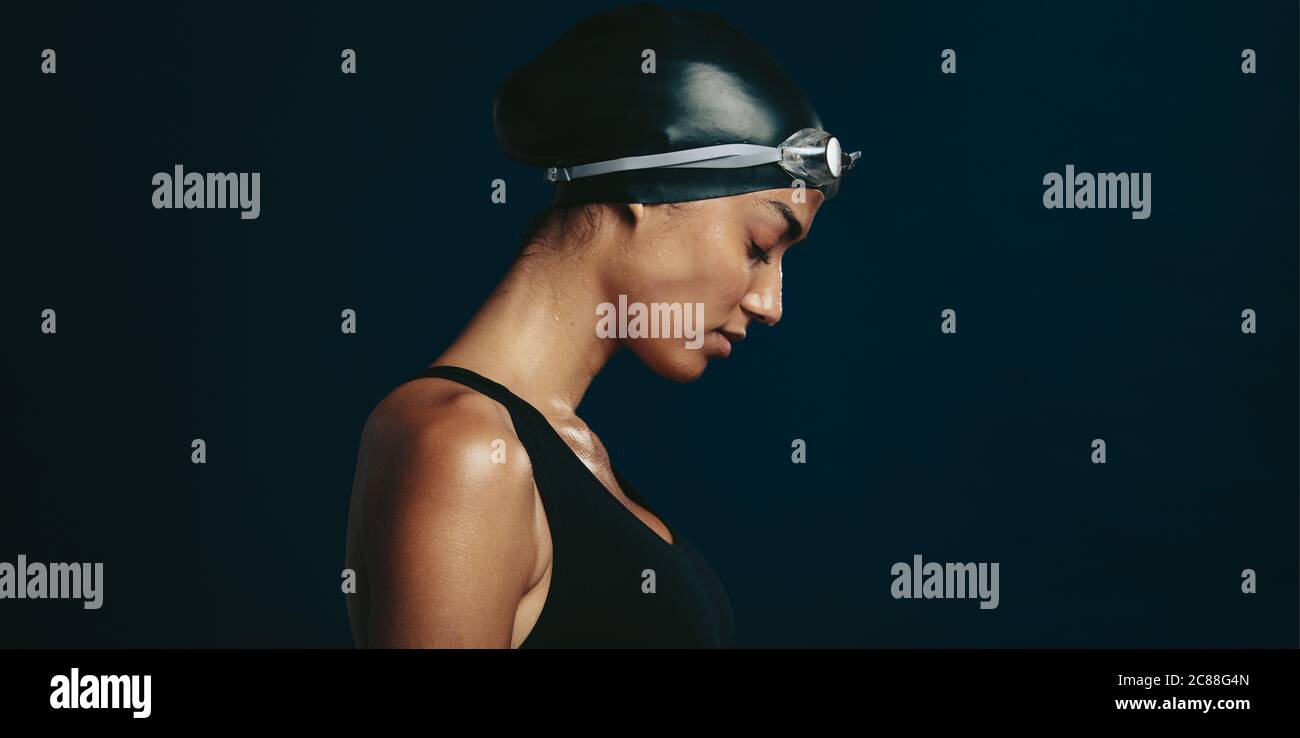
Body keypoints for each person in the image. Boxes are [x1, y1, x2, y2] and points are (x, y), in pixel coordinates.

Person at [344, 2, 858, 648]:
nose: (770, 303)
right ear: (648, 185)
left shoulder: (570, 455)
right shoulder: (462, 447)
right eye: (759, 246)